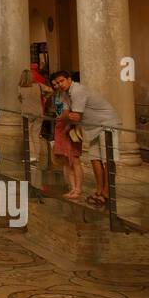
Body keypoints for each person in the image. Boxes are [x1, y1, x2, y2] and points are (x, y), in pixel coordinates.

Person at [52, 70, 118, 206]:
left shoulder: (77, 91)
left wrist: (68, 115)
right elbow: (64, 115)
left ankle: (107, 193)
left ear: (69, 79)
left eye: (62, 81)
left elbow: (76, 116)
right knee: (94, 159)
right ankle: (99, 190)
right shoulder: (65, 94)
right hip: (93, 127)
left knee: (108, 159)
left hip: (107, 124)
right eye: (57, 83)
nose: (60, 84)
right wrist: (68, 115)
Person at [49, 76, 83, 200]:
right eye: (54, 84)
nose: (57, 85)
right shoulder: (58, 95)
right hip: (60, 126)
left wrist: (66, 119)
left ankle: (78, 189)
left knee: (74, 159)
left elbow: (70, 112)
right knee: (65, 159)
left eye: (59, 82)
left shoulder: (71, 94)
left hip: (69, 126)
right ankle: (72, 187)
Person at [17, 67, 49, 171]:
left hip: (27, 113)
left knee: (28, 134)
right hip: (39, 112)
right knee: (36, 135)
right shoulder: (39, 85)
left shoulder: (20, 87)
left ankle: (31, 156)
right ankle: (37, 157)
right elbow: (51, 90)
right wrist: (45, 97)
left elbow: (20, 99)